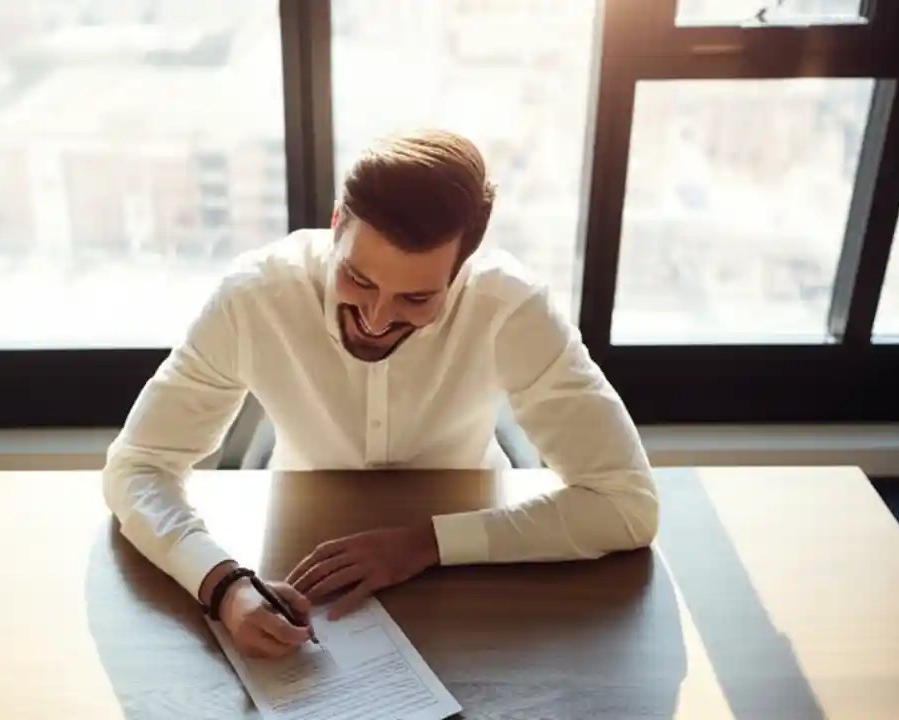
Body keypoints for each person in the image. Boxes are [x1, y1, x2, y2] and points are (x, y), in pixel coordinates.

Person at [103, 129, 658, 659]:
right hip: (295, 567)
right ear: (336, 222)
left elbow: (628, 504)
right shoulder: (253, 297)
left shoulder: (512, 308)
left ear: (461, 269)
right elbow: (137, 469)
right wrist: (222, 584)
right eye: (359, 279)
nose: (375, 318)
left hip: (471, 573)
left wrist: (428, 543)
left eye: (416, 298)